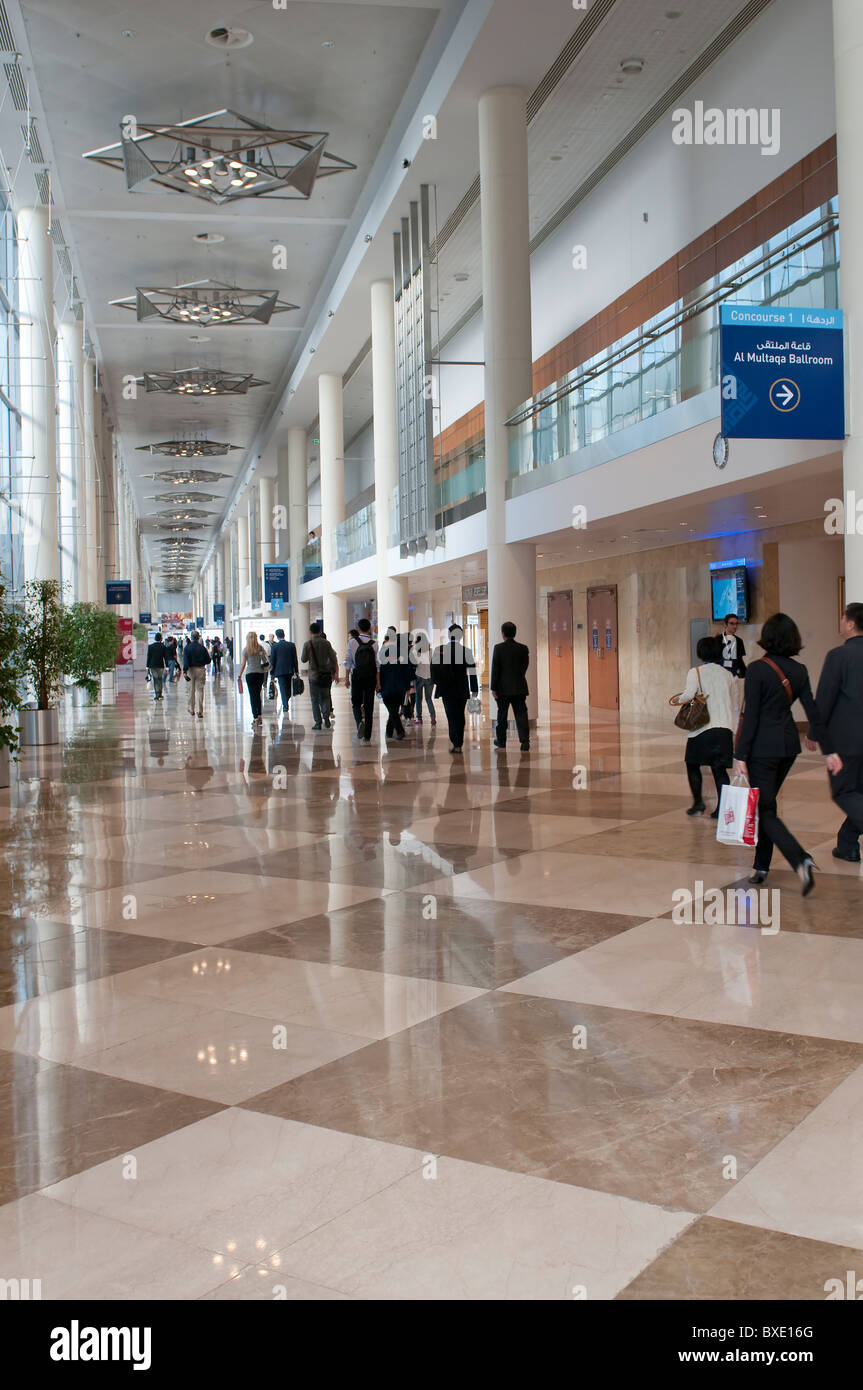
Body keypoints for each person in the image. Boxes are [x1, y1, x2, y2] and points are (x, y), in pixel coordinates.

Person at [734, 612, 839, 896]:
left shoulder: (757, 669)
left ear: (767, 637)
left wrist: (740, 754)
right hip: (788, 745)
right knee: (767, 806)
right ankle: (762, 866)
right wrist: (824, 745)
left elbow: (752, 715)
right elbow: (812, 710)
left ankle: (799, 858)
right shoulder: (799, 671)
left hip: (761, 750)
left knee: (764, 808)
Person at [807, 601, 862, 863]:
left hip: (847, 741)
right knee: (859, 792)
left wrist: (814, 733)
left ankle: (849, 843)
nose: (840, 621)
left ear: (850, 623)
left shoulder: (838, 656)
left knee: (844, 792)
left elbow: (824, 699)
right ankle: (847, 844)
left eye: (842, 617)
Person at [672, 636, 736, 817]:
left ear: (700, 653)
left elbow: (688, 695)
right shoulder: (728, 674)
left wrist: (678, 699)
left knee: (692, 764)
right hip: (724, 727)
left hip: (703, 729)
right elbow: (733, 702)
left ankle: (698, 803)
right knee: (720, 769)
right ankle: (721, 809)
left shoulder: (696, 672)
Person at [431, 623, 478, 754]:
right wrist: (474, 689)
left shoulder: (440, 650)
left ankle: (455, 742)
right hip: (462, 688)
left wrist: (436, 683)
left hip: (446, 689)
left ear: (449, 635)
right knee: (460, 715)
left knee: (451, 715)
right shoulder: (466, 651)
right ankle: (459, 742)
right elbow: (472, 672)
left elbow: (433, 669)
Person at [490, 620, 531, 751]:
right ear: (515, 633)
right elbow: (525, 666)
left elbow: (495, 669)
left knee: (502, 715)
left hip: (502, 689)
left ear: (503, 633)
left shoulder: (498, 648)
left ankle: (501, 741)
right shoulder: (523, 648)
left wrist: (493, 688)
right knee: (521, 714)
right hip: (519, 687)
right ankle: (525, 742)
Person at [345, 618, 379, 741]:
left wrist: (346, 679)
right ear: (369, 629)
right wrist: (378, 682)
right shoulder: (374, 643)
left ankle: (359, 721)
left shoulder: (352, 642)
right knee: (369, 705)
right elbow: (377, 664)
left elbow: (348, 661)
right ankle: (368, 735)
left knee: (356, 703)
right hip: (370, 676)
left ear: (358, 629)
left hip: (357, 676)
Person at [301, 620, 339, 730]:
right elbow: (333, 658)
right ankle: (326, 718)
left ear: (310, 632)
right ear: (320, 631)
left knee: (314, 699)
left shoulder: (307, 644)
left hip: (313, 675)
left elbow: (303, 659)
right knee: (325, 697)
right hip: (326, 674)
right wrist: (335, 673)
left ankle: (318, 722)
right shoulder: (326, 643)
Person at [379, 627, 413, 741]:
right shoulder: (402, 652)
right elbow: (408, 671)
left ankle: (399, 731)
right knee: (393, 709)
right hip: (400, 687)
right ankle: (389, 731)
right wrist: (408, 687)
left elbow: (377, 671)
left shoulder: (381, 653)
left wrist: (377, 685)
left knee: (392, 710)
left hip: (386, 687)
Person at [238, 631, 269, 728]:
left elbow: (243, 664)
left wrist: (239, 674)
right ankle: (259, 715)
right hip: (260, 674)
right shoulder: (260, 648)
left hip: (250, 674)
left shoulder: (246, 650)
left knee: (252, 695)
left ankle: (255, 716)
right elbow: (265, 661)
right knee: (258, 694)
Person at [182, 629, 211, 718]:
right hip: (201, 670)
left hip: (190, 670)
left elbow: (185, 661)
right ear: (198, 638)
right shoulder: (202, 648)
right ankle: (200, 711)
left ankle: (191, 709)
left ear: (191, 638)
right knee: (200, 690)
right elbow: (208, 660)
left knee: (191, 690)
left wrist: (185, 671)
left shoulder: (187, 648)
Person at [269, 627, 299, 712]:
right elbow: (295, 659)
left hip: (279, 671)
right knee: (288, 688)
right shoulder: (291, 645)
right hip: (289, 670)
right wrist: (296, 671)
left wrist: (272, 672)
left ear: (277, 637)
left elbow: (272, 660)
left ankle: (285, 703)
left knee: (282, 688)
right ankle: (285, 704)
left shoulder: (275, 646)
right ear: (284, 635)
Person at [411, 630, 436, 727]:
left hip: (418, 676)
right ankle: (433, 717)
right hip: (430, 677)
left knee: (418, 698)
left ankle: (419, 719)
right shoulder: (431, 651)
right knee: (428, 698)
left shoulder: (415, 651)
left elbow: (414, 664)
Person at [720, 614, 747, 678]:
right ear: (725, 624)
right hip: (720, 676)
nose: (735, 626)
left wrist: (745, 673)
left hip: (734, 676)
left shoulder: (739, 641)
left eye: (736, 623)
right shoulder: (717, 640)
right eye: (732, 623)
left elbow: (740, 660)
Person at [146, 631, 167, 701]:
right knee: (160, 679)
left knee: (155, 679)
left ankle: (157, 694)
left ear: (155, 638)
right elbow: (165, 657)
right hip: (160, 665)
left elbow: (148, 657)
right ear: (161, 639)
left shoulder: (150, 646)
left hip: (153, 666)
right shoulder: (163, 647)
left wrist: (147, 666)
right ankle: (160, 694)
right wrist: (167, 666)